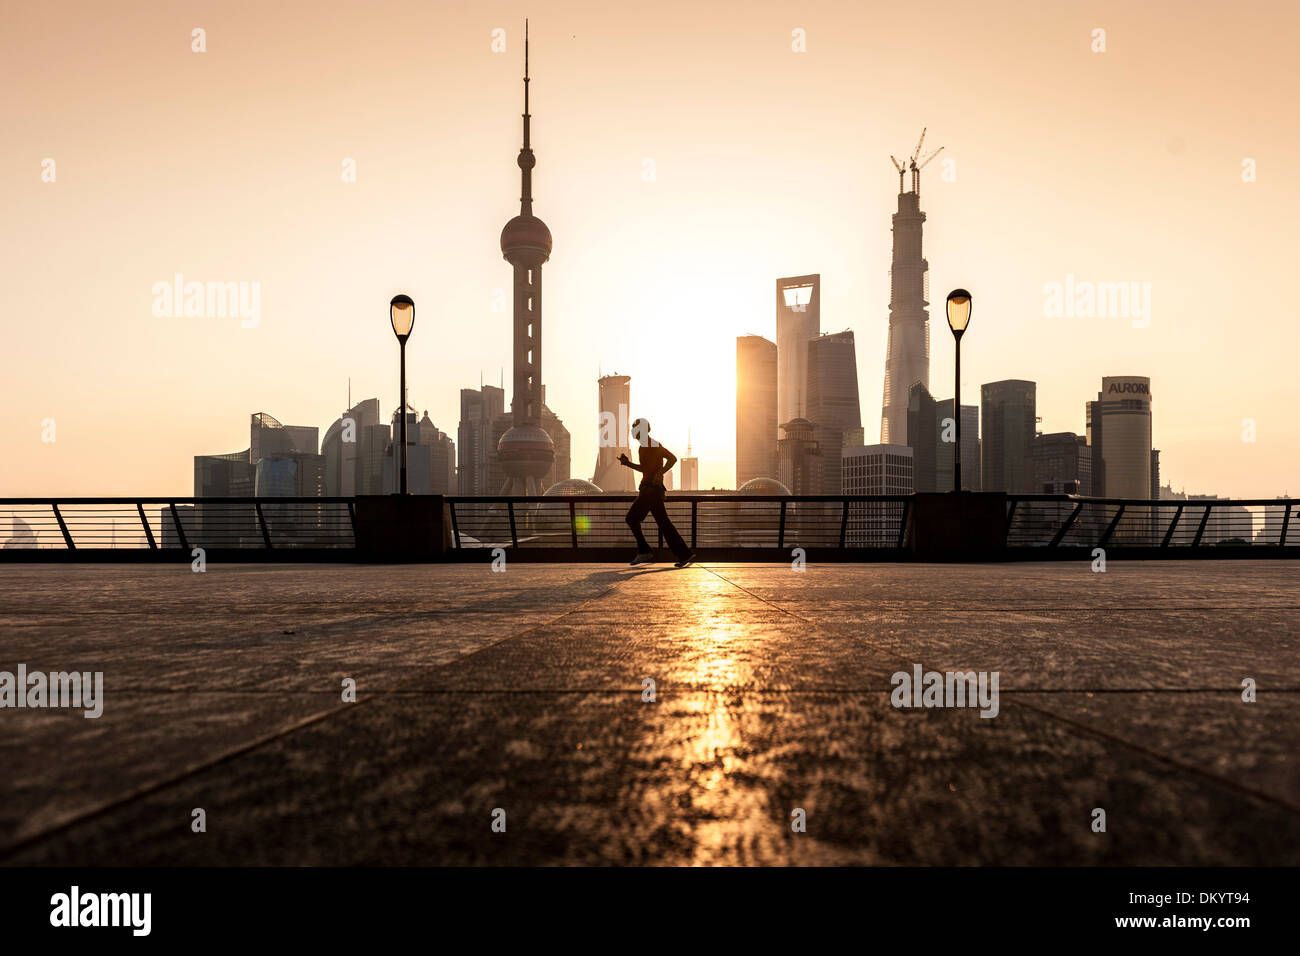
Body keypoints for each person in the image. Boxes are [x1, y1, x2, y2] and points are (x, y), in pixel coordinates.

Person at [618, 418, 695, 568]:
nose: (632, 432)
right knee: (664, 523)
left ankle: (645, 551)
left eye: (635, 429)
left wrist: (660, 472)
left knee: (631, 519)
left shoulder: (653, 445)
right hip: (650, 490)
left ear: (642, 431)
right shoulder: (643, 447)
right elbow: (645, 469)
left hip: (650, 491)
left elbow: (672, 458)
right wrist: (628, 464)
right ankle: (685, 554)